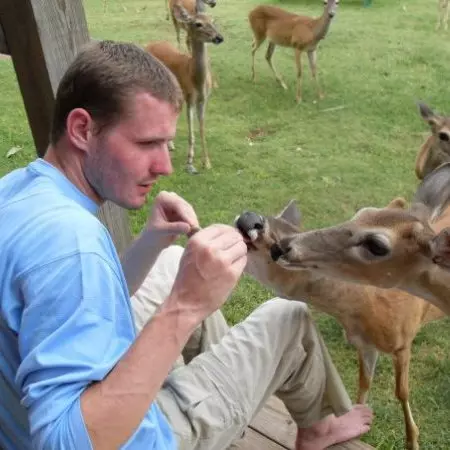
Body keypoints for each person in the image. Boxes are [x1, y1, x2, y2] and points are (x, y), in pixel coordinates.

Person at [0, 40, 373, 450]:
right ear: (82, 129)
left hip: (21, 413)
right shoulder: (74, 245)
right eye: (147, 144)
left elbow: (67, 299)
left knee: (172, 258)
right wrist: (185, 304)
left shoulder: (19, 192)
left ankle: (223, 392)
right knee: (288, 320)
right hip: (127, 436)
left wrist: (150, 242)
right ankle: (313, 430)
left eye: (168, 145)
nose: (165, 166)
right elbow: (63, 443)